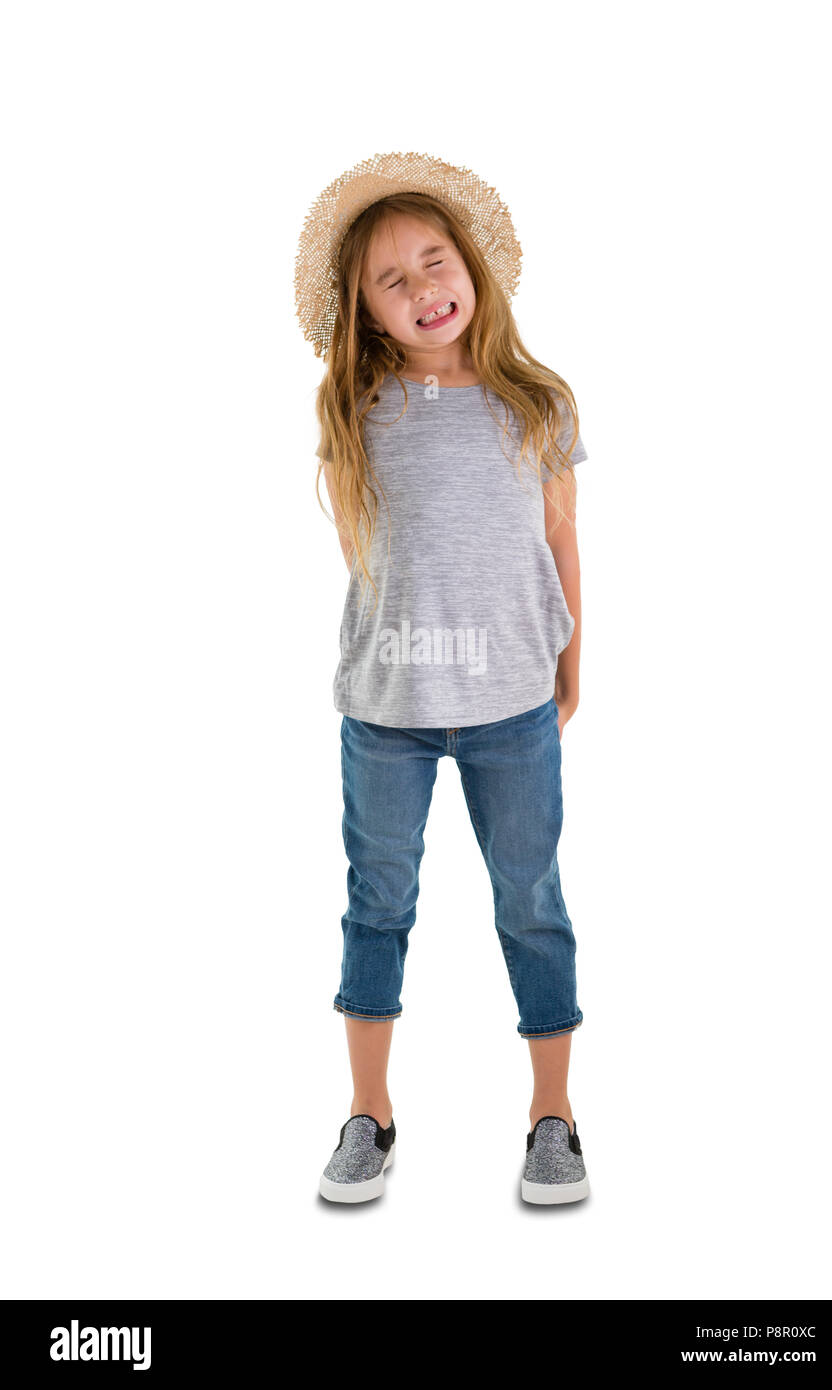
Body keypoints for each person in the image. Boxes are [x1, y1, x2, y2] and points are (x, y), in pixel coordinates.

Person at [294, 153, 591, 1205]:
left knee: (530, 903)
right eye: (391, 279)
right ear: (367, 314)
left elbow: (558, 535)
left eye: (434, 260)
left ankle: (550, 1116)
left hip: (512, 707)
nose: (424, 287)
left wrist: (567, 655)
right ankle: (367, 1114)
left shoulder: (534, 400)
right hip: (389, 712)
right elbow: (364, 552)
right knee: (377, 905)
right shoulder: (357, 412)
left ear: (469, 266)